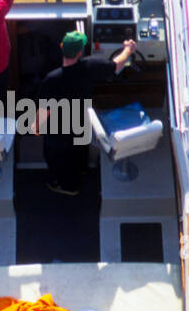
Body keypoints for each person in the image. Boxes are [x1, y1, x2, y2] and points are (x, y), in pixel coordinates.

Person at [34, 31, 137, 196]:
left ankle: (68, 187)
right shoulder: (91, 66)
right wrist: (128, 49)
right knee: (78, 151)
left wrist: (36, 126)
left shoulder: (51, 79)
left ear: (61, 48)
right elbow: (117, 64)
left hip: (58, 130)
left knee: (57, 157)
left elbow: (45, 110)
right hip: (81, 123)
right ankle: (81, 171)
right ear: (80, 52)